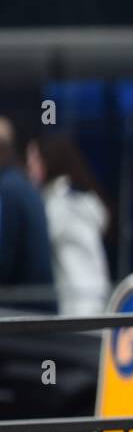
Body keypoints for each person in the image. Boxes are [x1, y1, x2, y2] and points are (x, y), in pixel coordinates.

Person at [27, 133, 113, 316]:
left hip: (77, 305)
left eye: (34, 159)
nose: (30, 167)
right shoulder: (81, 199)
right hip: (97, 297)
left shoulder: (60, 204)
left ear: (48, 161)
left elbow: (37, 238)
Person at [0, 117, 56, 313]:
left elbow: (3, 260)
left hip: (20, 314)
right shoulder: (24, 186)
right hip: (38, 309)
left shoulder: (7, 191)